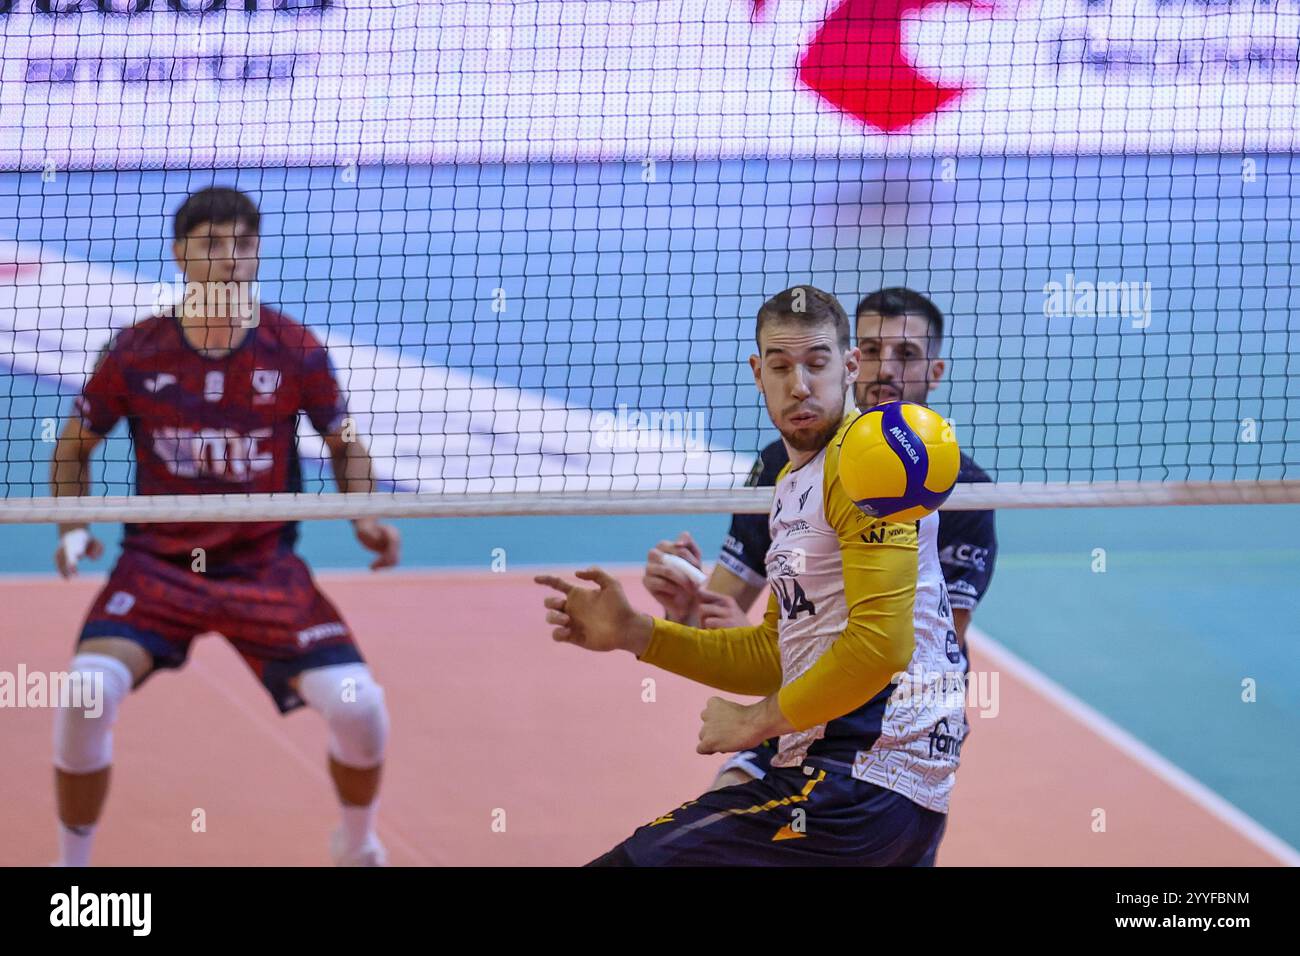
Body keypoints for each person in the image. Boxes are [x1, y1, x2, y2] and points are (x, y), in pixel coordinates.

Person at [537, 286, 963, 865]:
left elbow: (882, 645)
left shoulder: (870, 456)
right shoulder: (790, 484)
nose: (800, 385)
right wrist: (638, 634)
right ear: (757, 373)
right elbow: (775, 651)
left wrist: (754, 721)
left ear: (849, 366)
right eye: (782, 368)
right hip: (858, 786)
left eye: (817, 364)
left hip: (856, 781)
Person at [48, 186, 400, 867]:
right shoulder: (137, 351)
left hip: (262, 567)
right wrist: (70, 527)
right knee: (87, 694)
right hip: (158, 568)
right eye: (212, 243)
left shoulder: (293, 348)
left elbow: (345, 441)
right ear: (181, 254)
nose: (230, 258)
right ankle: (71, 871)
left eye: (242, 243)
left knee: (360, 706)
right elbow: (73, 446)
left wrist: (365, 512)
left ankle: (356, 847)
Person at [644, 287, 997, 789]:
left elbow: (931, 641)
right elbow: (717, 612)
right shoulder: (780, 465)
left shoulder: (959, 486)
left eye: (906, 354)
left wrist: (771, 654)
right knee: (729, 804)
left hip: (898, 724)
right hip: (799, 699)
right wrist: (683, 610)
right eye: (873, 351)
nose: (886, 370)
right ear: (852, 363)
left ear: (934, 373)